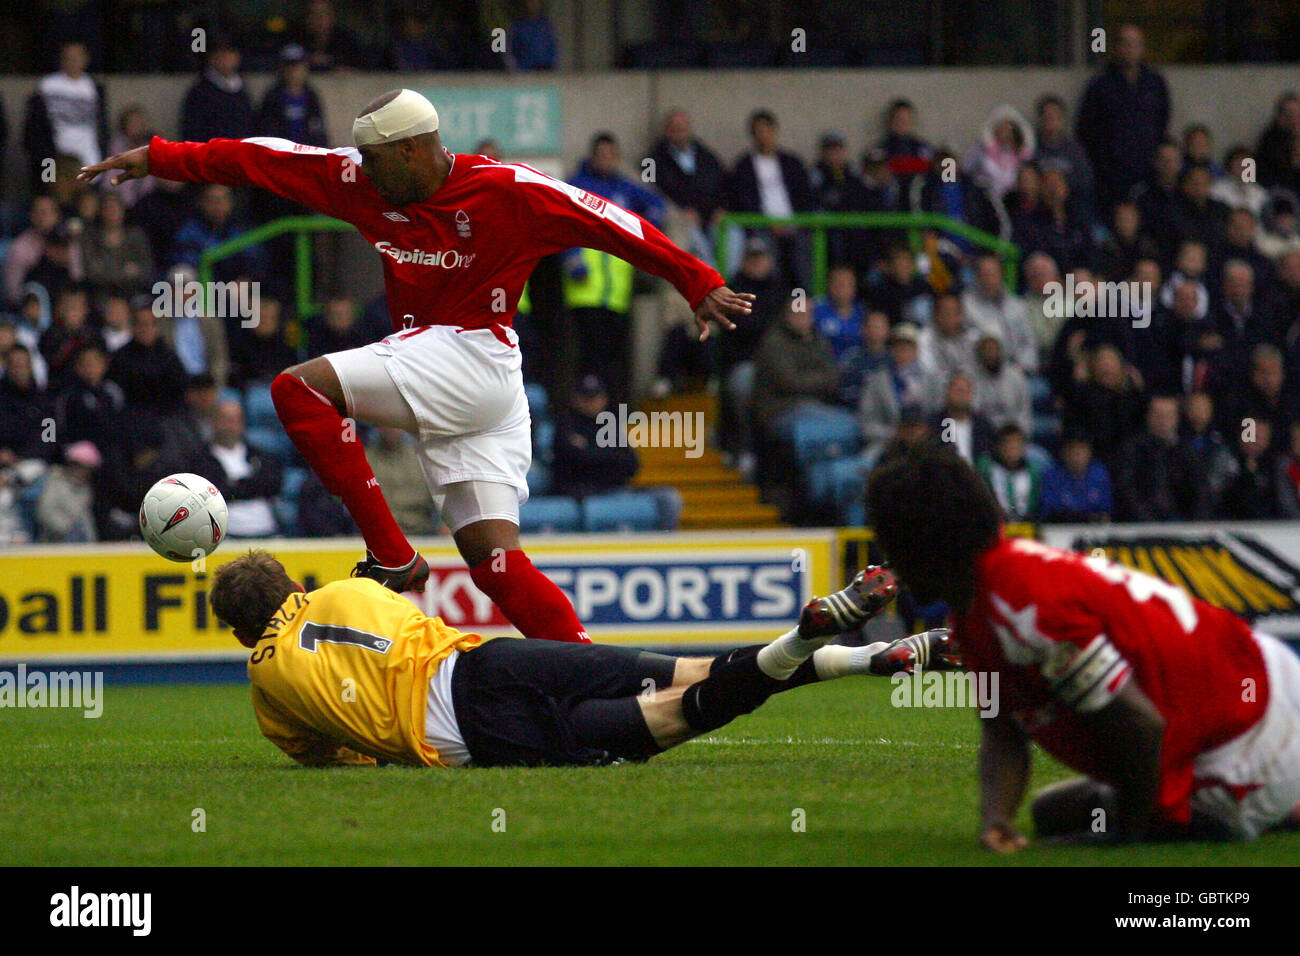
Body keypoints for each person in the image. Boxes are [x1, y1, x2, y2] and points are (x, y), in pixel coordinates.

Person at [80, 88, 751, 648]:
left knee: (295, 390)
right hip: (463, 382)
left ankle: (394, 555)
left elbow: (613, 221)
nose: (361, 170)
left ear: (413, 148)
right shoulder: (361, 179)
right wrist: (165, 158)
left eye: (374, 158)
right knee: (496, 565)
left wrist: (697, 281)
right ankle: (597, 678)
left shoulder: (509, 190)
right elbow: (264, 158)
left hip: (476, 356)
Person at [867, 443, 1300, 848]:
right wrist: (995, 818)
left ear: (923, 545)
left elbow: (1139, 725)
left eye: (891, 543)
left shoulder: (1018, 606)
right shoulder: (983, 604)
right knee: (1050, 812)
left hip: (1251, 738)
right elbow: (1002, 730)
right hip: (1261, 675)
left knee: (1109, 814)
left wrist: (1128, 835)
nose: (888, 559)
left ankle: (1270, 800)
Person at [208, 550, 953, 769]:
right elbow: (410, 599)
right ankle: (859, 653)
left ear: (244, 634)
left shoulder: (264, 688)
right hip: (490, 664)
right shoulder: (344, 591)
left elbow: (328, 759)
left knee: (666, 719)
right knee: (686, 671)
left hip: (474, 735)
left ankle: (816, 640)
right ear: (293, 585)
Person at [1075, 22, 1171, 214]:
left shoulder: (1155, 83)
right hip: (1110, 176)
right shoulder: (1100, 85)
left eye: (1135, 44)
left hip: (1147, 172)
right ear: (1117, 47)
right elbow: (1086, 129)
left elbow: (1163, 121)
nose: (1130, 49)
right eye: (1126, 43)